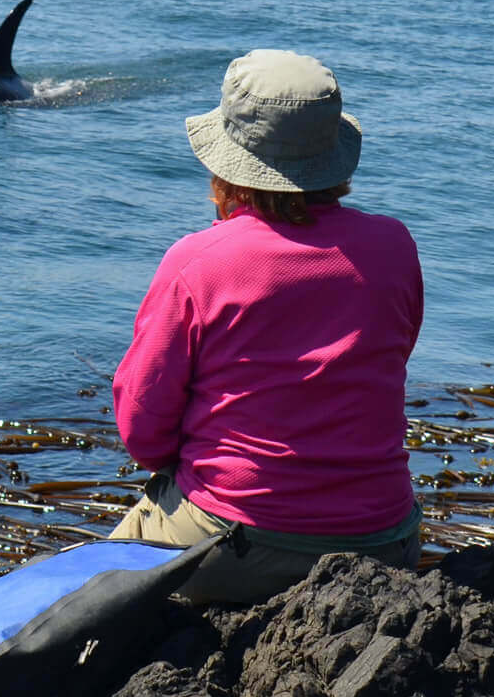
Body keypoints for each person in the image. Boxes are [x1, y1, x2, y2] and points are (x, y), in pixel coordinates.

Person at [110, 49, 424, 603]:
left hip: (234, 546)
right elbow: (390, 355)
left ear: (226, 167)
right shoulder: (394, 246)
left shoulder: (198, 262)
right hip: (385, 543)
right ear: (332, 159)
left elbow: (142, 433)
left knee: (91, 586)